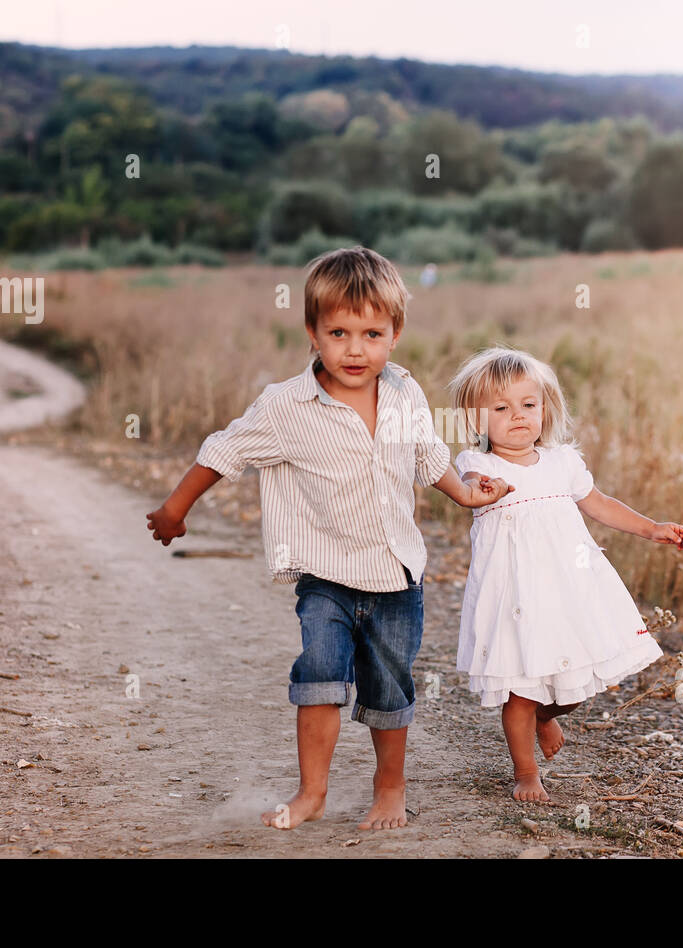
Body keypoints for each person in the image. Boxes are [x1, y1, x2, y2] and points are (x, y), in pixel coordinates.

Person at [146, 247, 511, 830]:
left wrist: (466, 491)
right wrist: (174, 509)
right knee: (317, 672)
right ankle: (311, 792)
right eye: (338, 332)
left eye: (372, 333)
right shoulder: (286, 405)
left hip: (396, 577)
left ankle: (389, 786)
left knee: (389, 688)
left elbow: (429, 457)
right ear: (312, 332)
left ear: (395, 335)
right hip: (327, 578)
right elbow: (225, 450)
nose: (355, 349)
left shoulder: (403, 395)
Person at [447, 346, 683, 802]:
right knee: (520, 688)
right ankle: (525, 772)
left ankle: (547, 714)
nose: (517, 416)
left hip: (569, 591)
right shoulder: (478, 465)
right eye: (501, 408)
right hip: (516, 598)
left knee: (581, 676)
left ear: (545, 408)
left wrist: (651, 528)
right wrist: (488, 489)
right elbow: (469, 489)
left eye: (528, 404)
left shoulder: (562, 462)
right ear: (477, 420)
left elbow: (600, 505)